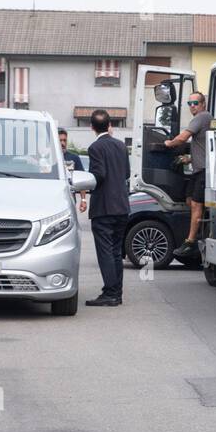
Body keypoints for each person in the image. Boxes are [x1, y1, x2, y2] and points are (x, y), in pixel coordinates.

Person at [85, 109, 130, 307]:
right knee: (115, 252)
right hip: (121, 206)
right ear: (110, 125)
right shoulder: (120, 146)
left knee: (105, 252)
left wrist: (85, 183)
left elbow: (99, 174)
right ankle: (116, 292)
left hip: (103, 207)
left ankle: (110, 292)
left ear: (92, 127)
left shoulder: (95, 148)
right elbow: (127, 173)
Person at [163, 91, 211, 258]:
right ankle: (200, 232)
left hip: (204, 171)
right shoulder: (203, 118)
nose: (192, 106)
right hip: (198, 169)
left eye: (195, 103)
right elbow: (203, 147)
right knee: (190, 200)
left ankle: (190, 242)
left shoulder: (202, 117)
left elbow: (183, 138)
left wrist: (168, 143)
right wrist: (189, 159)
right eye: (189, 103)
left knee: (197, 204)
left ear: (203, 104)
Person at [59, 128, 87, 213]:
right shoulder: (48, 158)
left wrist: (83, 200)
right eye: (60, 140)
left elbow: (82, 180)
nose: (63, 143)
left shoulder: (74, 158)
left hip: (70, 199)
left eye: (64, 140)